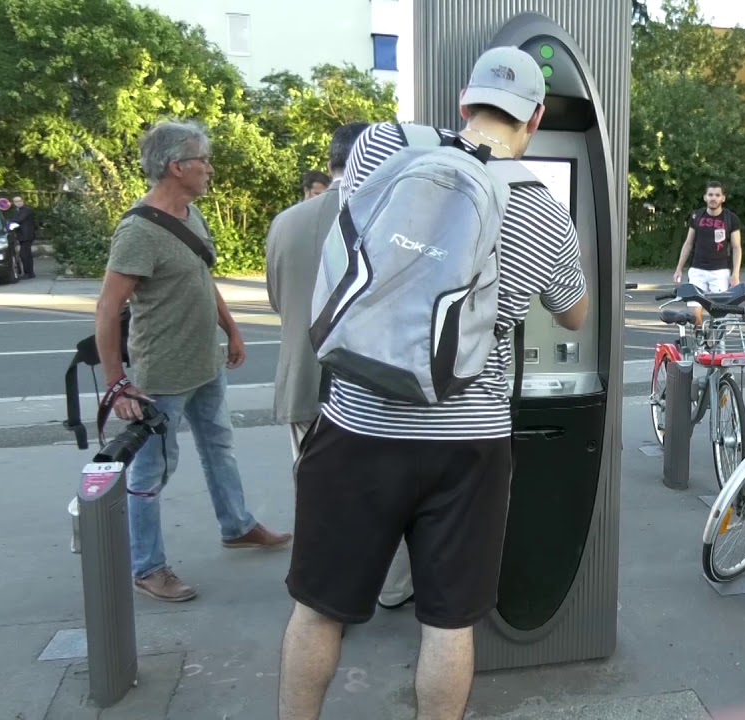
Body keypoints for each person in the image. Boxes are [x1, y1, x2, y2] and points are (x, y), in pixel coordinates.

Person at [277, 46, 588, 720]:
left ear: (464, 102)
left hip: (358, 423)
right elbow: (574, 314)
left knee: (319, 610)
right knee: (448, 624)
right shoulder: (547, 213)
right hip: (468, 441)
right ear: (535, 119)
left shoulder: (380, 146)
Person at [94, 120, 292, 603]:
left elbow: (203, 279)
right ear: (176, 167)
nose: (210, 168)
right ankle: (147, 567)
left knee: (219, 446)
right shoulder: (139, 230)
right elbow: (107, 307)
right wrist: (117, 384)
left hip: (205, 363)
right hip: (162, 373)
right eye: (203, 160)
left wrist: (232, 329)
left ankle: (237, 525)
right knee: (151, 472)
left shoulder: (190, 214)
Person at [265, 121, 414, 612]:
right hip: (369, 386)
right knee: (384, 493)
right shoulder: (390, 217)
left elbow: (277, 300)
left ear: (331, 162)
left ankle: (323, 592)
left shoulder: (285, 222)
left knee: (316, 494)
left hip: (302, 383)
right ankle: (391, 588)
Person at [672, 181, 742, 325]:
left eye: (717, 195)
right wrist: (679, 268)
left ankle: (717, 339)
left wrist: (735, 274)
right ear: (705, 197)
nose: (713, 198)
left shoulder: (731, 219)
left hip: (720, 272)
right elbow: (688, 243)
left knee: (719, 316)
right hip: (697, 270)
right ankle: (699, 337)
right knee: (695, 314)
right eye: (710, 195)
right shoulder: (697, 216)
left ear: (723, 198)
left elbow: (736, 247)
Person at [10, 196, 37, 278]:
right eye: (16, 201)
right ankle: (29, 273)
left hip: (27, 235)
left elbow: (19, 219)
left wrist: (9, 222)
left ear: (23, 201)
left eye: (19, 201)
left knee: (24, 254)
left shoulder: (27, 210)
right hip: (21, 236)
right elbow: (15, 219)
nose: (18, 202)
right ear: (14, 203)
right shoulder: (16, 210)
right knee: (26, 254)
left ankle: (28, 273)